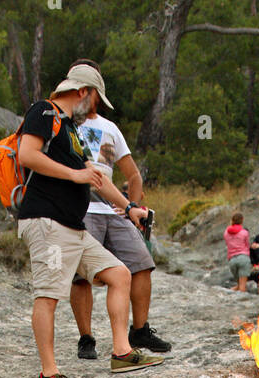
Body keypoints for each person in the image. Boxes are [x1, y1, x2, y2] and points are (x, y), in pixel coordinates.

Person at [16, 65, 163, 378]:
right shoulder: (43, 111)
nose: (95, 106)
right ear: (83, 92)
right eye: (96, 98)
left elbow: (97, 177)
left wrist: (129, 209)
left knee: (119, 274)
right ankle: (48, 374)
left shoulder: (71, 129)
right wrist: (74, 176)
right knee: (49, 295)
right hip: (47, 224)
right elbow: (27, 154)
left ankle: (122, 352)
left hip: (73, 228)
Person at [66, 62, 171, 359]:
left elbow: (133, 175)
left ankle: (139, 330)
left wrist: (130, 207)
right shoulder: (63, 121)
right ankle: (86, 338)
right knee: (81, 275)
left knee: (141, 262)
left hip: (112, 209)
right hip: (80, 207)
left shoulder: (110, 128)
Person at [224, 213, 251, 291]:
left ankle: (228, 294)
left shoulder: (226, 232)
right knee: (242, 286)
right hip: (243, 258)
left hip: (232, 260)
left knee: (239, 285)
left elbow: (227, 243)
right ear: (242, 221)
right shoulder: (244, 232)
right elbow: (247, 245)